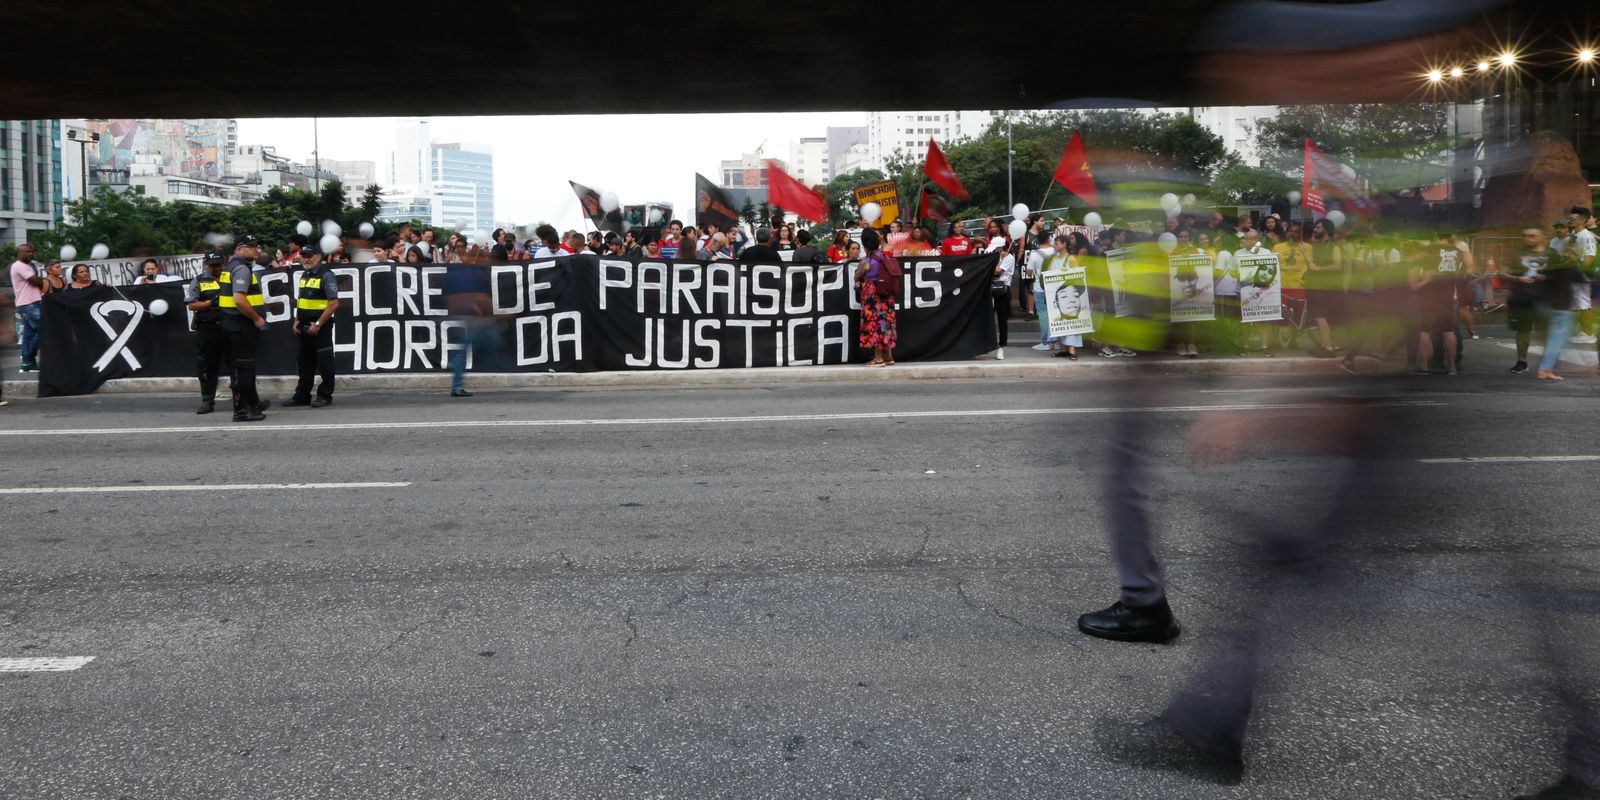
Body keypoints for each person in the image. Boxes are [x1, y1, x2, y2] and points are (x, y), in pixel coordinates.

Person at [218, 235, 269, 422]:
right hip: (241, 325)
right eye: (252, 246)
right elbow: (239, 300)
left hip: (233, 325)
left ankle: (253, 404)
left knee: (243, 367)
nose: (257, 249)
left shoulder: (232, 266)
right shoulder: (241, 269)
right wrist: (257, 318)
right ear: (239, 249)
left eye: (257, 246)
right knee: (243, 369)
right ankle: (242, 410)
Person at [285, 246, 341, 408]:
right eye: (303, 256)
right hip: (304, 326)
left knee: (325, 363)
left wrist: (318, 324)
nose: (305, 259)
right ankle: (302, 396)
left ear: (318, 257)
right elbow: (302, 300)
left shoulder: (326, 275)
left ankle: (325, 396)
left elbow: (333, 303)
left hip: (320, 328)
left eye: (309, 256)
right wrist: (297, 319)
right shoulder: (305, 275)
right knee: (305, 363)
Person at [184, 248, 231, 415]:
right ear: (205, 264)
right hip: (208, 328)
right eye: (213, 265)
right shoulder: (199, 280)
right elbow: (191, 305)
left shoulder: (230, 277)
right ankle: (207, 401)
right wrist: (211, 303)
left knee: (238, 364)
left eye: (219, 264)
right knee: (207, 366)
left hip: (231, 326)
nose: (217, 268)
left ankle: (246, 399)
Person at [1507, 226, 1551, 375]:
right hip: (1521, 297)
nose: (1528, 238)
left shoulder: (1550, 254)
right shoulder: (1516, 253)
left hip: (1544, 298)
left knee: (1545, 331)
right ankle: (1522, 361)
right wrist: (1517, 278)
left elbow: (1561, 275)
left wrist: (1547, 277)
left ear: (1542, 236)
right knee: (1522, 331)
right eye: (1525, 235)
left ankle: (1547, 363)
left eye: (1532, 235)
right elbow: (1502, 272)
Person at [854, 228, 898, 366]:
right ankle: (889, 356)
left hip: (873, 294)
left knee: (874, 324)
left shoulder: (866, 261)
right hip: (887, 294)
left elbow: (857, 276)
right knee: (886, 322)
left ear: (865, 245)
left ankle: (878, 357)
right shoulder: (885, 257)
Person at [1305, 218, 1342, 356]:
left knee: (1321, 317)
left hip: (1326, 287)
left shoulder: (1334, 246)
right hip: (1315, 286)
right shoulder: (1317, 246)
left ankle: (1329, 349)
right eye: (1315, 227)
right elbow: (1311, 265)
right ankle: (1324, 345)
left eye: (1318, 227)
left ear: (1326, 229)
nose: (1315, 229)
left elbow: (1337, 266)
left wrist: (1319, 269)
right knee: (1317, 317)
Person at [9, 243, 44, 372]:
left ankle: (27, 363)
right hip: (28, 304)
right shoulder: (20, 266)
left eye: (32, 252)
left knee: (29, 335)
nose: (31, 254)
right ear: (20, 253)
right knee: (42, 330)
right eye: (28, 252)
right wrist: (40, 280)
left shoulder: (28, 265)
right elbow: (36, 282)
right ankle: (29, 358)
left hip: (28, 303)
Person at [990, 239, 1015, 359]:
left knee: (1002, 320)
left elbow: (997, 272)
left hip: (1002, 291)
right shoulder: (992, 255)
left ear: (1001, 248)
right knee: (987, 318)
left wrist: (999, 260)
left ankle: (1001, 347)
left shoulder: (1009, 258)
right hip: (990, 290)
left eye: (996, 248)